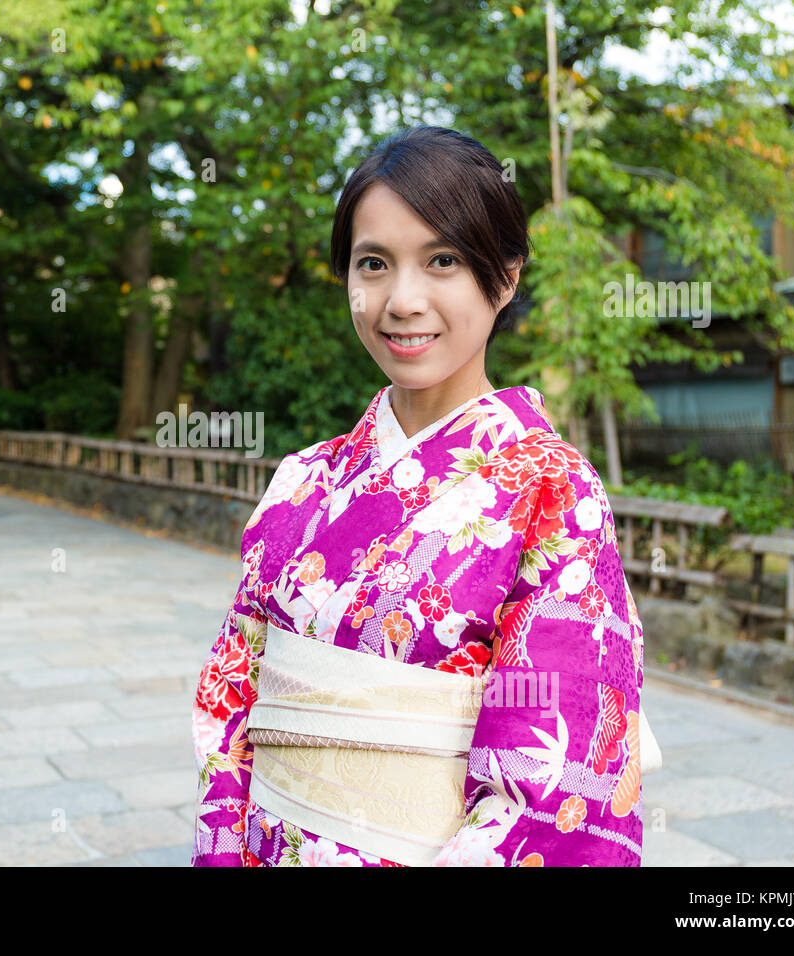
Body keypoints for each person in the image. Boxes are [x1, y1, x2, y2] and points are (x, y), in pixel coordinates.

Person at [192, 126, 657, 868]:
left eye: (442, 260)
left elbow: (554, 783)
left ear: (503, 278)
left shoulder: (550, 488)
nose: (402, 301)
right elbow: (228, 707)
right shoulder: (302, 482)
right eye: (372, 264)